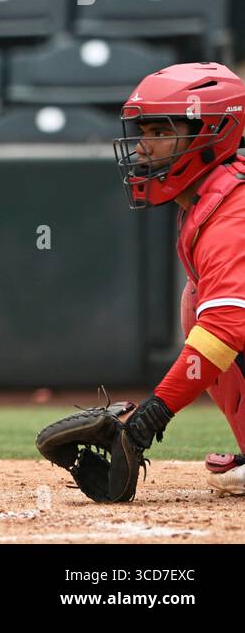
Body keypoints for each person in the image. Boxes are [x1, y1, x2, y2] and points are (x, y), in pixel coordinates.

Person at [101, 61, 245, 495]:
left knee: (214, 316)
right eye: (143, 133)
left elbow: (226, 328)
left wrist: (151, 416)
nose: (142, 149)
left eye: (161, 134)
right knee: (200, 299)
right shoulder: (217, 196)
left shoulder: (233, 212)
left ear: (212, 136)